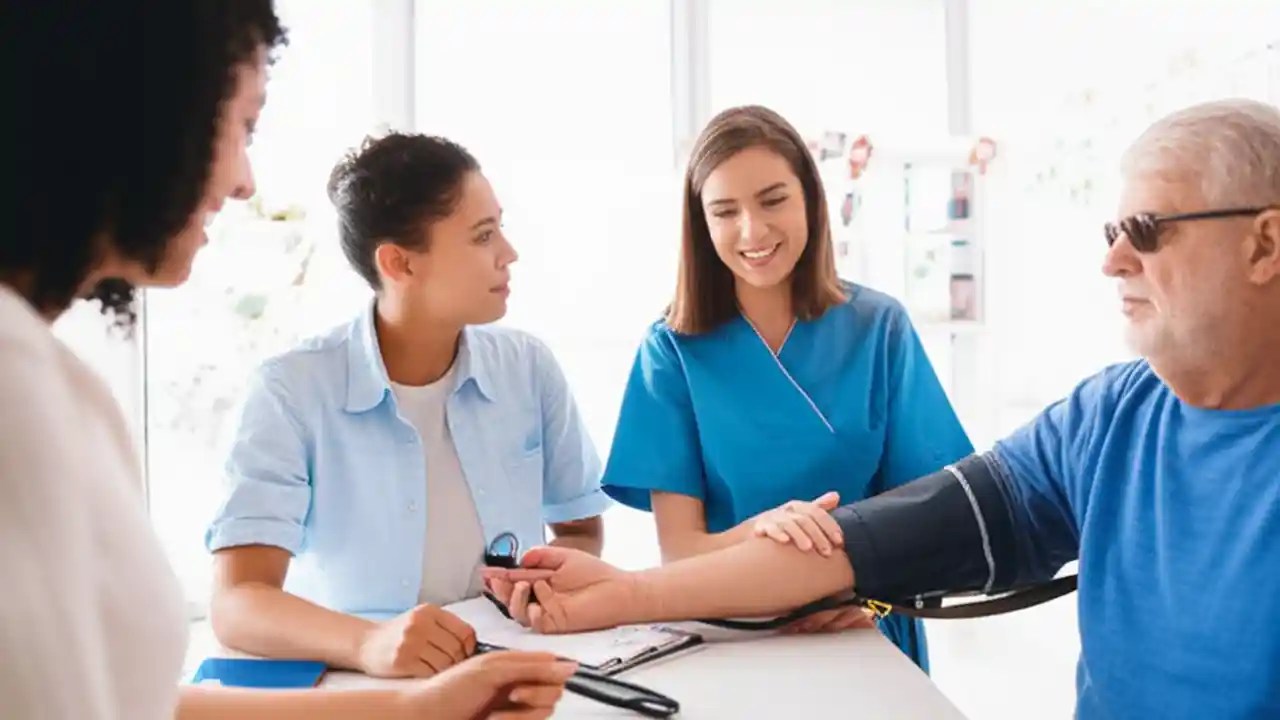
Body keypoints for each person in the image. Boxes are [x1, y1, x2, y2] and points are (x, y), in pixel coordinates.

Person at [485, 98, 1280, 719]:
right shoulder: (1108, 421)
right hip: (747, 636)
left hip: (863, 631)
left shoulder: (878, 326)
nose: (1110, 260)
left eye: (1144, 229)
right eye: (1113, 229)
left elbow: (889, 541)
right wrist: (621, 592)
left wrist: (862, 592)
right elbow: (897, 534)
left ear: (1265, 245)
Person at [2, 3, 574, 718]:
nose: (244, 181)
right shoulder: (20, 391)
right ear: (138, 114)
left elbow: (134, 705)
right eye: (241, 126)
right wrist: (375, 654)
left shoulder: (58, 384)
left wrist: (415, 710)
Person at [205, 131, 611, 679]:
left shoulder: (528, 368)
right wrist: (369, 644)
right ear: (399, 263)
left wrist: (550, 585)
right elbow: (238, 601)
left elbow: (579, 529)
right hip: (355, 684)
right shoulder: (291, 391)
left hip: (504, 668)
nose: (508, 254)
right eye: (483, 235)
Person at [591, 105, 972, 666]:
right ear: (702, 226)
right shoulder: (671, 351)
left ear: (811, 202)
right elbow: (682, 554)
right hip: (730, 636)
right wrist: (764, 531)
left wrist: (878, 605)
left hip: (863, 631)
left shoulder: (879, 329)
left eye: (773, 200)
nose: (753, 231)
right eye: (724, 211)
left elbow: (938, 522)